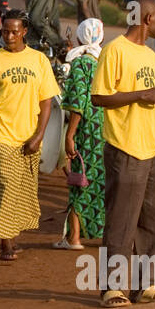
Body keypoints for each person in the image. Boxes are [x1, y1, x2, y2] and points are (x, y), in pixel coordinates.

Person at [90, 0, 155, 306]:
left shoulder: (149, 54)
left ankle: (144, 285)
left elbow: (150, 95)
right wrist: (142, 94)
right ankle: (112, 287)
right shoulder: (115, 50)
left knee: (153, 217)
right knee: (122, 218)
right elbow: (99, 97)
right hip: (126, 145)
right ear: (148, 18)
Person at [0, 11, 60, 262]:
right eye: (5, 32)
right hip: (0, 134)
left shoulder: (39, 60)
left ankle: (11, 235)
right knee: (5, 187)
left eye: (14, 32)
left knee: (22, 189)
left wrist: (39, 135)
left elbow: (46, 103)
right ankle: (6, 243)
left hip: (29, 136)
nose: (9, 36)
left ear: (24, 32)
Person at [57, 18, 105, 249]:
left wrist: (69, 135)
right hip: (106, 129)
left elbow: (79, 102)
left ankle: (74, 238)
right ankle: (104, 234)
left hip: (86, 131)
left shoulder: (80, 64)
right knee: (101, 182)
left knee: (79, 180)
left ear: (79, 37)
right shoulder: (105, 61)